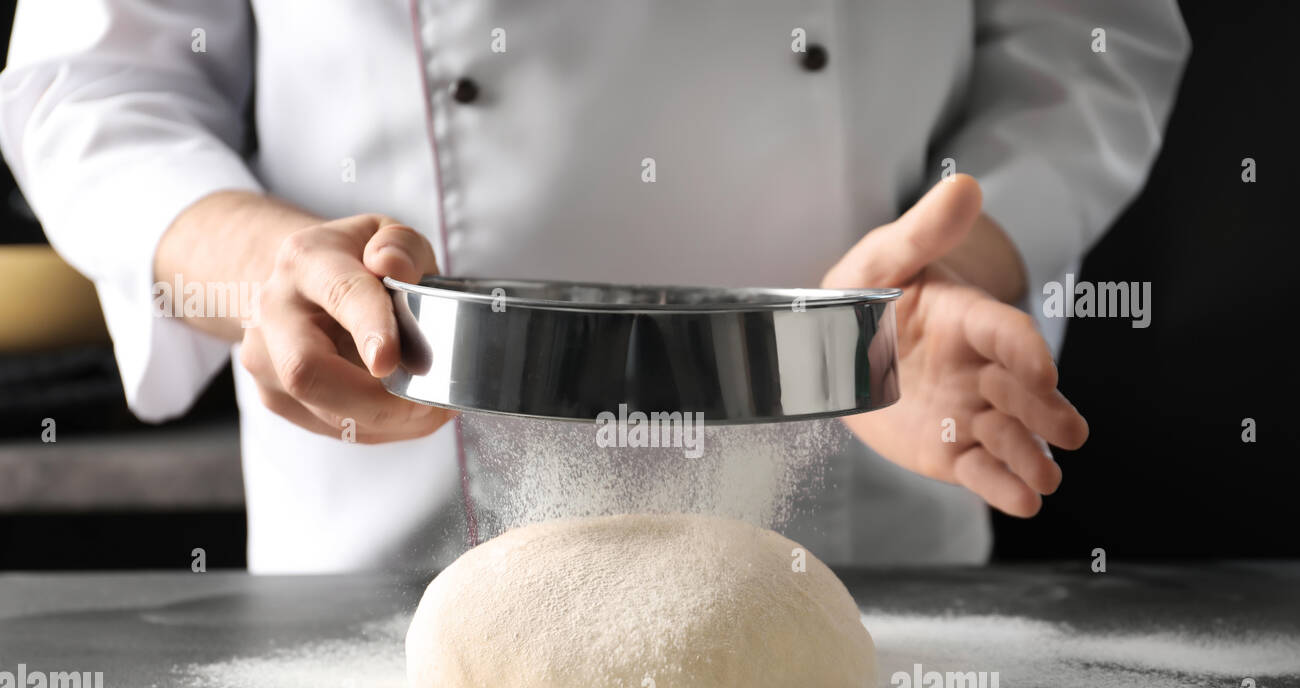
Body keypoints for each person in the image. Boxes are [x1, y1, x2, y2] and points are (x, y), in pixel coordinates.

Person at [0, 1, 1189, 572]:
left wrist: (950, 272)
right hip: (382, 540)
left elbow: (1091, 36)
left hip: (862, 517)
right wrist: (273, 270)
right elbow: (96, 91)